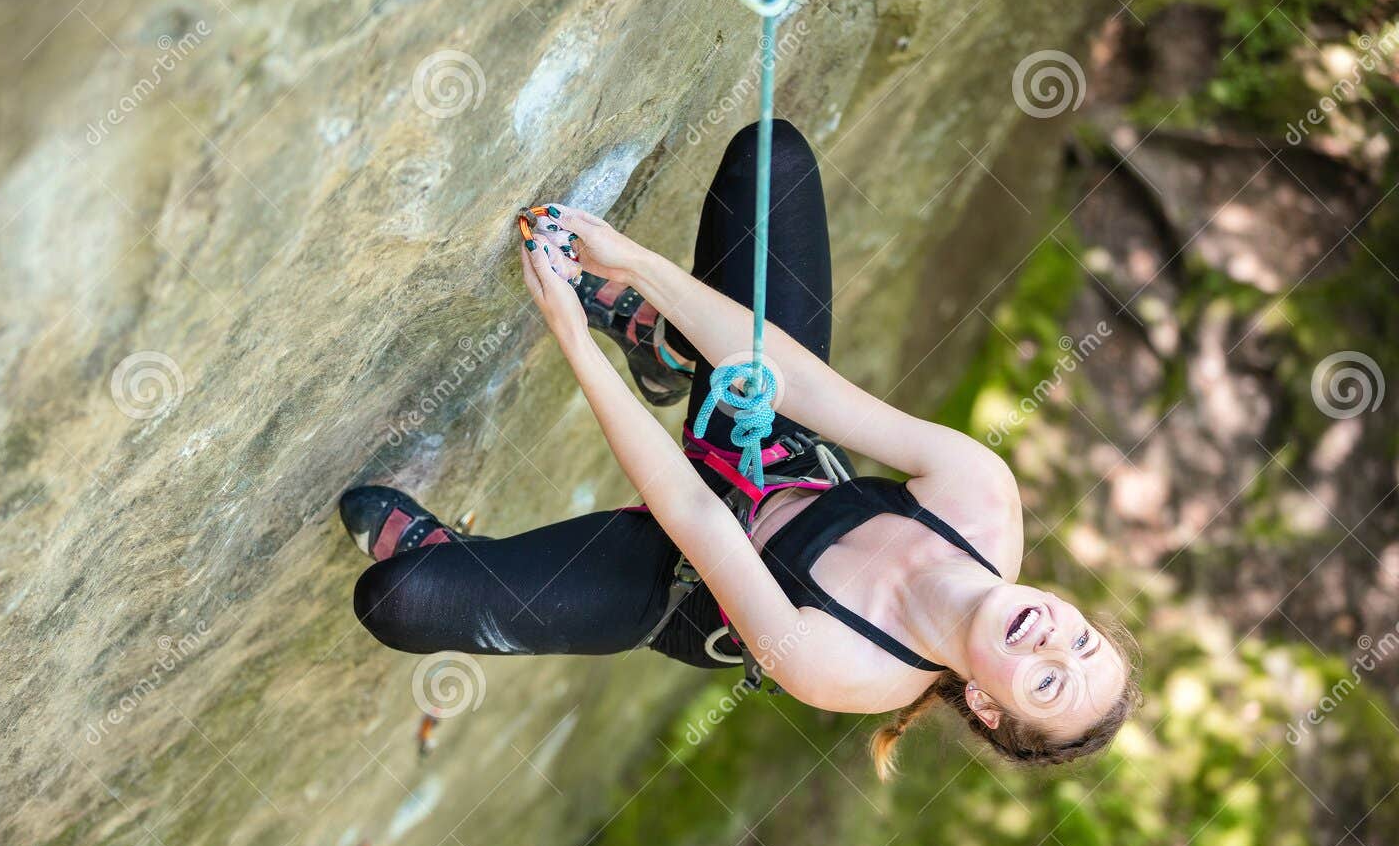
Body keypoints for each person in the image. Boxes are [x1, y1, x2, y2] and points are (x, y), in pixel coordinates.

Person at [341, 121, 1140, 778]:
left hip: (682, 578)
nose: (1052, 641)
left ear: (986, 706)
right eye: (1081, 640)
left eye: (1048, 682)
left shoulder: (849, 670)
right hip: (773, 445)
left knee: (401, 601)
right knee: (772, 161)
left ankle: (460, 551)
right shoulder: (982, 497)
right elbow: (807, 388)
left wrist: (573, 336)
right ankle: (664, 342)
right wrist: (635, 265)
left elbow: (693, 514)